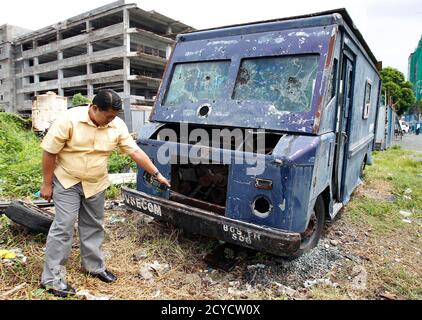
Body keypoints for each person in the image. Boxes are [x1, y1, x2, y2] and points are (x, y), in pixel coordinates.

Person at [40, 89, 170, 297]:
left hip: (95, 182)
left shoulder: (116, 125)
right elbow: (49, 152)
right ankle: (52, 279)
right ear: (94, 108)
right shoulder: (69, 120)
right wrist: (47, 184)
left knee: (94, 225)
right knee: (64, 225)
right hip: (67, 180)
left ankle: (94, 267)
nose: (111, 120)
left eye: (114, 117)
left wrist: (156, 174)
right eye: (107, 116)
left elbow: (134, 151)